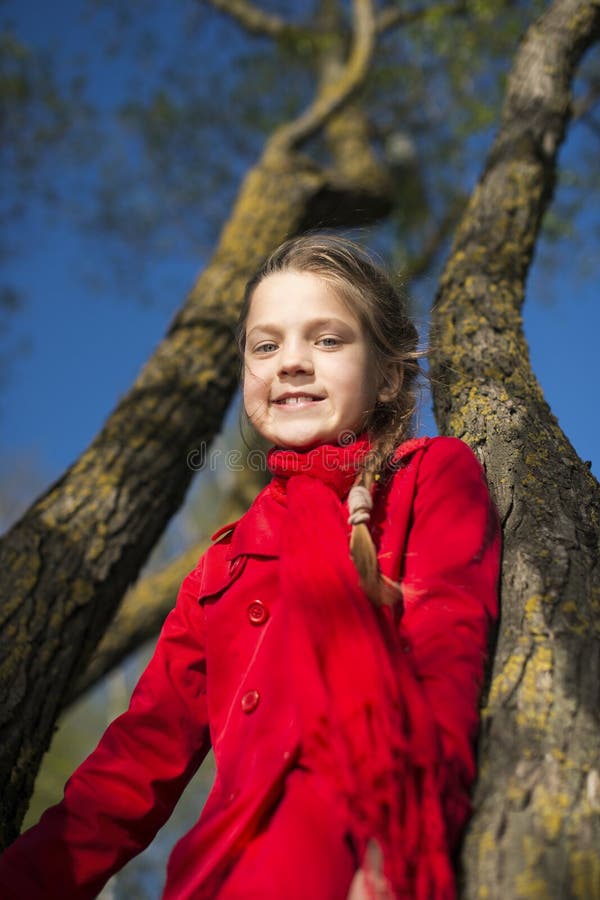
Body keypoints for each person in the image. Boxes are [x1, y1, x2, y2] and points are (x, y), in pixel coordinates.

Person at [0, 234, 501, 899]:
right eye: (266, 346)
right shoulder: (221, 566)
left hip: (361, 847)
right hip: (223, 874)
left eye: (326, 340)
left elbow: (449, 651)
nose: (291, 362)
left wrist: (404, 846)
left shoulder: (429, 478)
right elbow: (130, 771)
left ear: (385, 375)